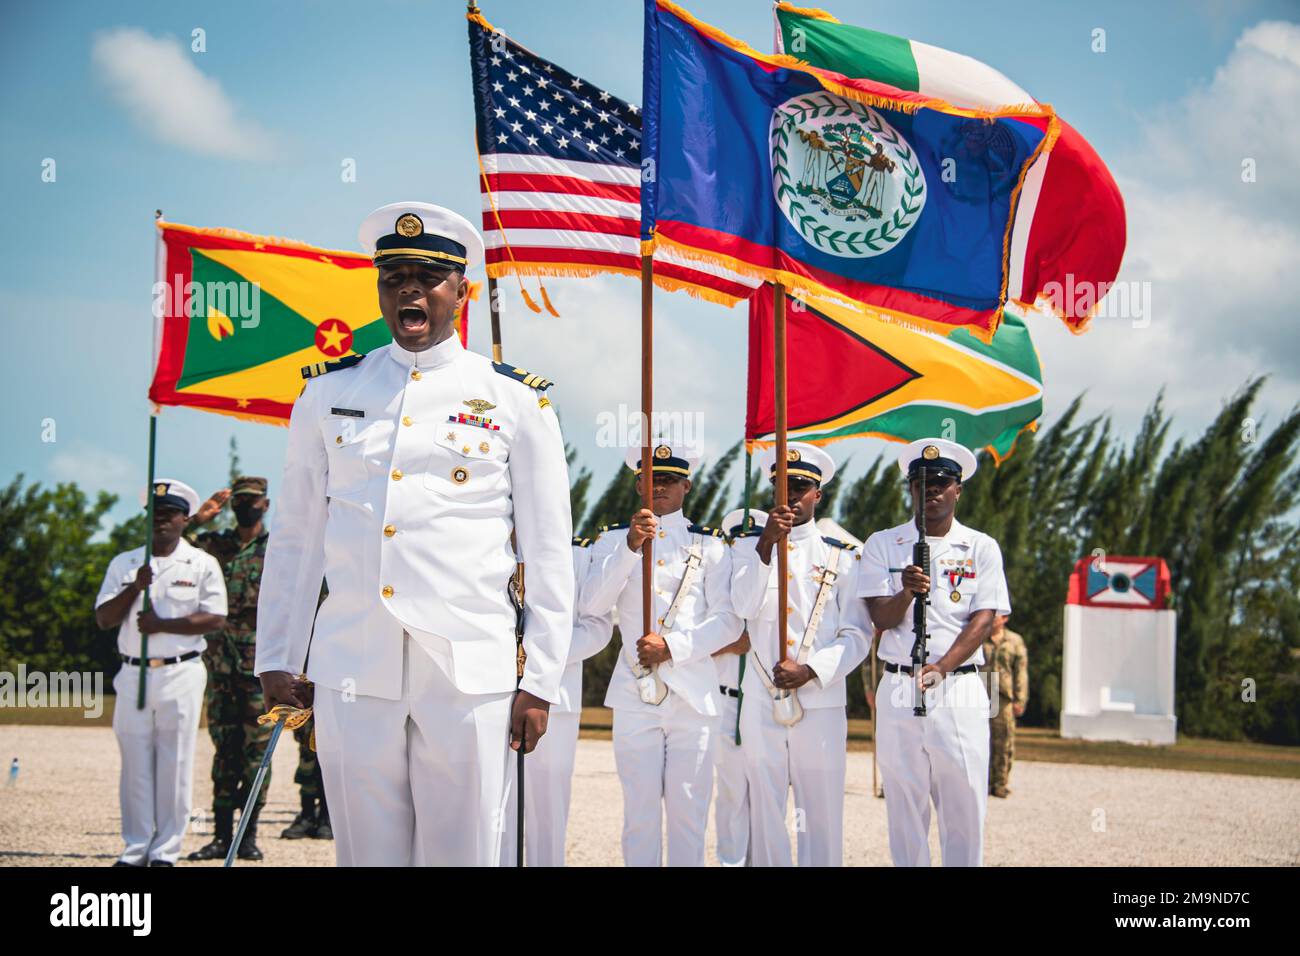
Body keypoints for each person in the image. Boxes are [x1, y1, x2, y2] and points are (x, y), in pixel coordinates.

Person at [255, 202, 574, 866]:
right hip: (352, 664)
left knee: (464, 854)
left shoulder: (516, 400)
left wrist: (541, 678)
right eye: (394, 276)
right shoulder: (328, 394)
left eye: (429, 276)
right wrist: (277, 654)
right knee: (367, 855)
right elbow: (296, 537)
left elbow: (548, 555)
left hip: (469, 671)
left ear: (463, 291)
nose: (410, 290)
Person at [578, 443, 739, 866]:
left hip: (693, 696)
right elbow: (592, 605)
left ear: (687, 486)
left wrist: (673, 646)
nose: (660, 487)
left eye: (669, 480)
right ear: (637, 485)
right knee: (640, 814)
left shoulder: (712, 546)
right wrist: (631, 547)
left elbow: (729, 622)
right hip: (635, 693)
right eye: (651, 480)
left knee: (689, 815)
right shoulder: (613, 539)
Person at [858, 438, 1009, 867]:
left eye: (942, 483)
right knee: (904, 801)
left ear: (958, 490)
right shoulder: (884, 544)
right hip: (900, 682)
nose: (932, 491)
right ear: (911, 489)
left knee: (963, 801)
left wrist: (942, 667)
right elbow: (881, 618)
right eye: (922, 484)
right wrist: (906, 590)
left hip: (957, 686)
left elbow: (984, 618)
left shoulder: (980, 547)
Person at [729, 446, 869, 866]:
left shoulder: (841, 557)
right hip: (760, 698)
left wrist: (810, 669)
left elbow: (857, 634)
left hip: (820, 701)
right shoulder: (748, 549)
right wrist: (767, 544)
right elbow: (740, 607)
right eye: (782, 487)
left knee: (819, 810)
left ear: (818, 495)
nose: (791, 496)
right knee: (766, 809)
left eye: (801, 487)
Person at [95, 479, 227, 867]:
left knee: (175, 763)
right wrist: (135, 588)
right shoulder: (126, 563)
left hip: (180, 672)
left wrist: (163, 625)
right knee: (135, 764)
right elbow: (104, 618)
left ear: (185, 519)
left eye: (169, 514)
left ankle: (165, 850)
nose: (160, 522)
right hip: (133, 674)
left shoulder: (201, 564)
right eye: (154, 514)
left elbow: (215, 618)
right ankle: (135, 848)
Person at [501, 535, 614, 866]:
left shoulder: (577, 553)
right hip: (486, 690)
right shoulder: (484, 543)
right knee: (493, 809)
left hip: (555, 698)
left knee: (548, 813)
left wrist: (535, 660)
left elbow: (597, 627)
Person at [184, 476, 273, 862]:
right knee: (224, 755)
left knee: (257, 757)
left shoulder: (279, 549)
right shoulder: (213, 545)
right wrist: (198, 519)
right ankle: (221, 836)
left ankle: (248, 837)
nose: (245, 506)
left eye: (252, 501)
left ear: (265, 505)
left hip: (260, 671)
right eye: (239, 501)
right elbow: (168, 550)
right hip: (220, 666)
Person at [711, 508, 763, 868]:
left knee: (765, 794)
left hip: (763, 703)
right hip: (725, 698)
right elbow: (689, 644)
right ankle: (731, 861)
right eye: (737, 542)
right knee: (730, 794)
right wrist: (732, 643)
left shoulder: (771, 582)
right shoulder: (715, 583)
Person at [982, 613, 1028, 798]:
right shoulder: (977, 636)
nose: (993, 619)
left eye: (997, 615)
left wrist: (1020, 699)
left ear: (1005, 618)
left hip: (1003, 697)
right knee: (979, 740)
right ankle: (982, 783)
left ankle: (1000, 783)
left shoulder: (1014, 641)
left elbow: (1021, 672)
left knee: (1004, 741)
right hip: (980, 694)